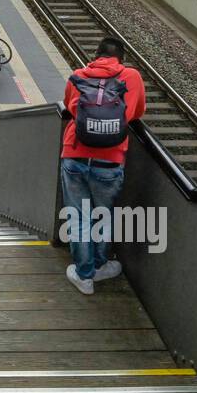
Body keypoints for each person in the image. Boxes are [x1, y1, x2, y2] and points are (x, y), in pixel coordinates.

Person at [60, 37, 147, 295]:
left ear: (96, 56)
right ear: (120, 58)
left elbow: (69, 106)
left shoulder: (78, 76)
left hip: (75, 154)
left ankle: (84, 275)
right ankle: (99, 265)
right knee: (102, 214)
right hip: (109, 160)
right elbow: (137, 112)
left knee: (78, 216)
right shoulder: (131, 77)